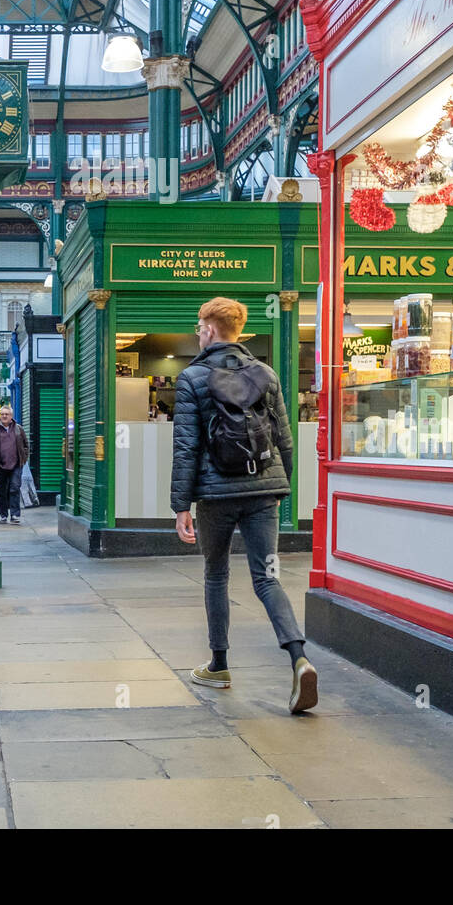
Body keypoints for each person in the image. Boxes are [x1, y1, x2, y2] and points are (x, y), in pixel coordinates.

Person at [171, 297, 318, 715]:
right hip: (261, 493)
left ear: (211, 330)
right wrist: (280, 487)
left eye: (199, 327)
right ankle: (299, 659)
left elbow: (186, 448)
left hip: (216, 496)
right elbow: (285, 441)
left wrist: (181, 505)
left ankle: (219, 665)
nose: (198, 333)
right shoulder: (267, 375)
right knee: (268, 577)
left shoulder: (192, 378)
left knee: (216, 574)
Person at [0, 404, 29, 525]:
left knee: (15, 488)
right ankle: (3, 515)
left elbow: (26, 446)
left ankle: (15, 514)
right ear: (0, 416)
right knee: (1, 491)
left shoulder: (18, 429)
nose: (4, 416)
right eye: (2, 414)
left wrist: (23, 460)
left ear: (11, 416)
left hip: (16, 465)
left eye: (7, 414)